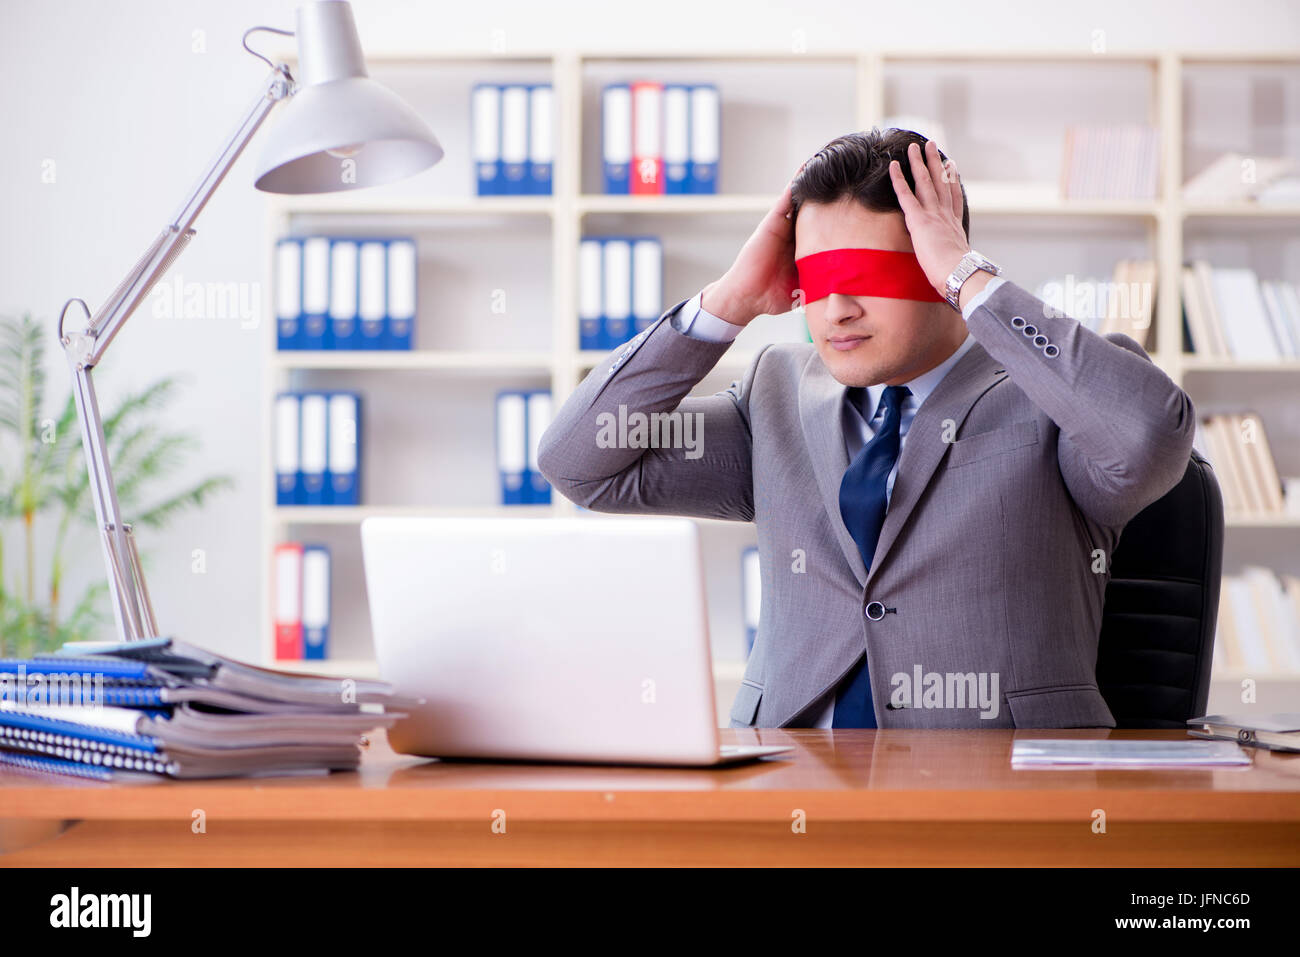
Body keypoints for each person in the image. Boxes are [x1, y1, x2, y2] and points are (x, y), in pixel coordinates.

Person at [537, 128, 1196, 729]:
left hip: (1000, 791)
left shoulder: (1050, 395)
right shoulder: (774, 397)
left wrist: (971, 276)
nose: (838, 309)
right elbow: (578, 463)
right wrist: (727, 304)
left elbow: (1147, 440)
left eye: (870, 275)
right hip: (785, 781)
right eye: (817, 279)